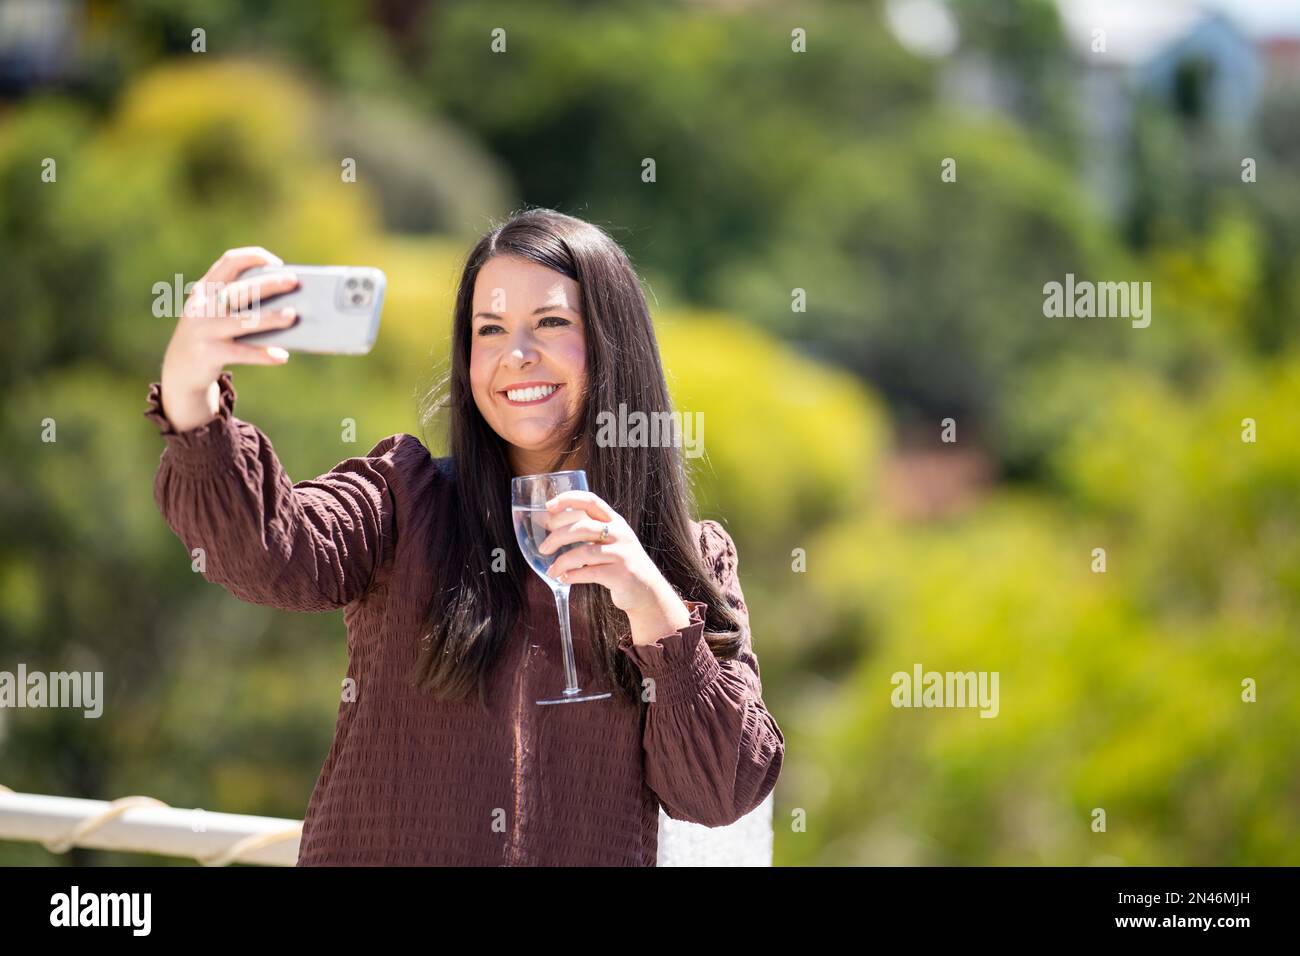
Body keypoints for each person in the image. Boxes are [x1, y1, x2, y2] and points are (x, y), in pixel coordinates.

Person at [143, 208, 784, 866]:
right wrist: (192, 389)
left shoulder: (687, 559)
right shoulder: (405, 498)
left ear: (614, 341)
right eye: (490, 329)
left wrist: (652, 605)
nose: (516, 354)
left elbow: (720, 791)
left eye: (551, 323)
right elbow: (267, 553)